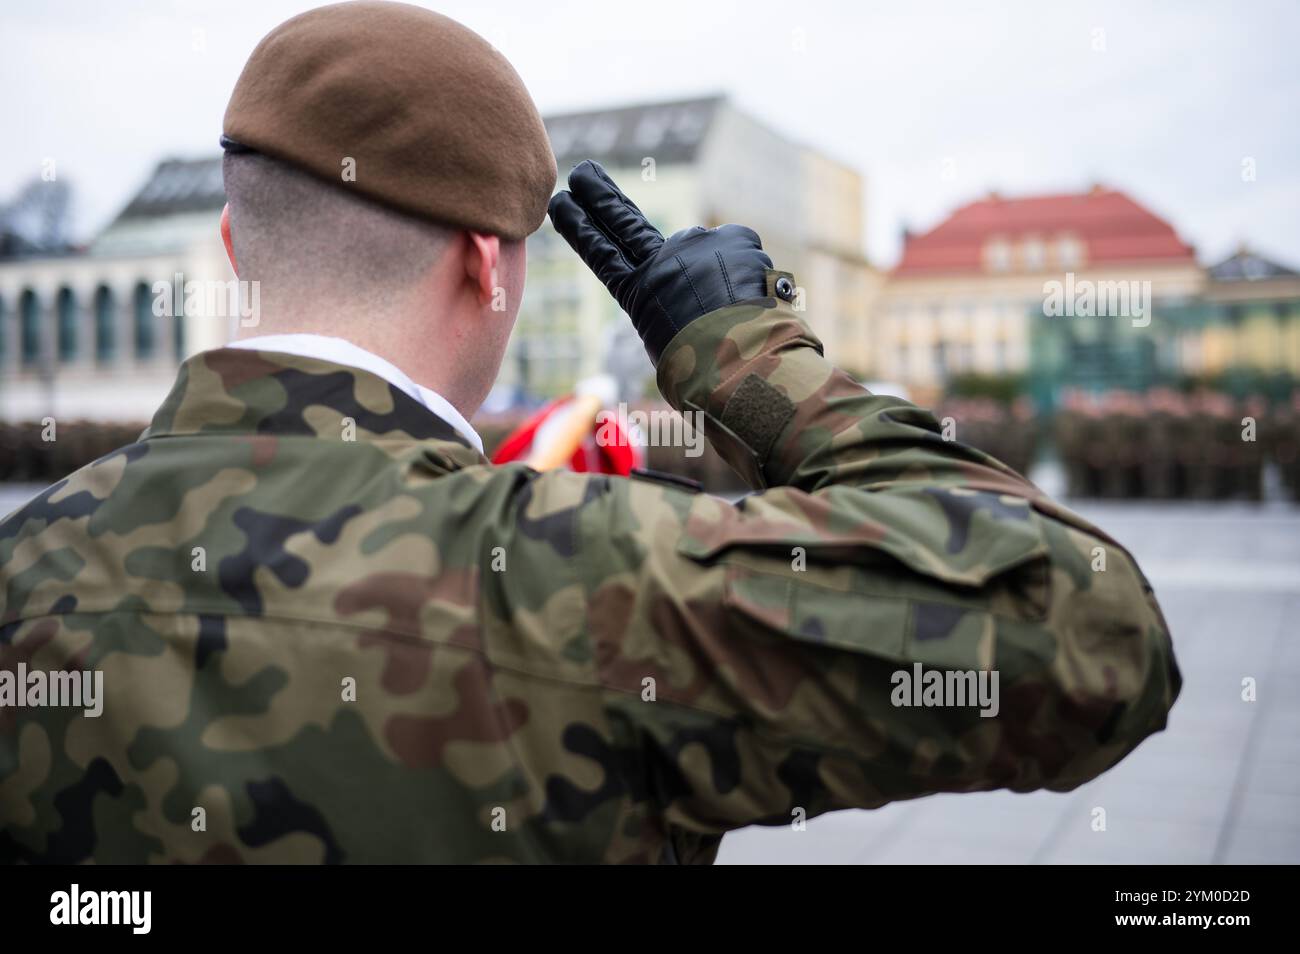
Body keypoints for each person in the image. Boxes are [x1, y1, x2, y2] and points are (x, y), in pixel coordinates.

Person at [0, 1, 1180, 864]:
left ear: (229, 245)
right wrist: (749, 357)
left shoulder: (26, 573)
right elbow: (1089, 631)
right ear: (485, 265)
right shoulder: (586, 580)